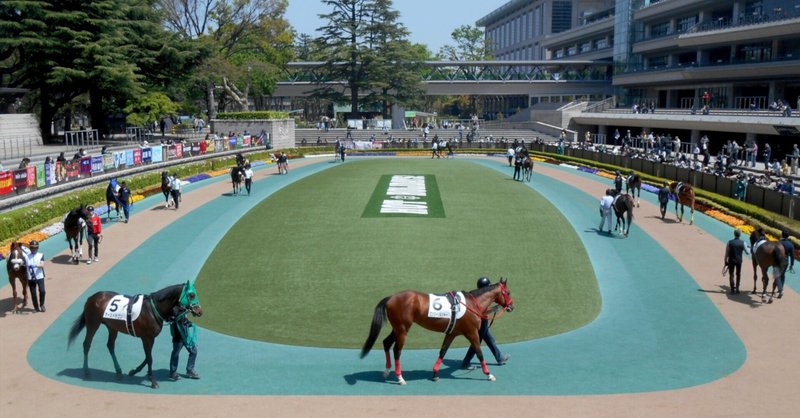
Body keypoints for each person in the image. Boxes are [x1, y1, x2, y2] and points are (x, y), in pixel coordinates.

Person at [461, 277, 510, 369]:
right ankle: (466, 362)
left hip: (483, 322)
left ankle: (500, 358)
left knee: (490, 340)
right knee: (476, 343)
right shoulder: (481, 297)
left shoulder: (481, 295)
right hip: (480, 323)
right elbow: (480, 312)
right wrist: (493, 309)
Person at [168, 305, 200, 381]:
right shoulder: (174, 308)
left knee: (194, 351)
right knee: (176, 353)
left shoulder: (184, 307)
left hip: (186, 335)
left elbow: (184, 318)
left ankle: (190, 370)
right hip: (178, 336)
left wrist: (188, 322)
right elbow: (173, 319)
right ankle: (173, 372)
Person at [724, 229, 748, 294]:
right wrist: (748, 247)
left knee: (731, 274)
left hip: (731, 260)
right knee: (738, 274)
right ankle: (737, 288)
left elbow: (726, 253)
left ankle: (732, 289)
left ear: (734, 234)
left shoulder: (729, 242)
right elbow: (747, 252)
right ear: (740, 235)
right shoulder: (743, 242)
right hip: (739, 261)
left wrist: (725, 261)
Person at [24, 240, 46, 312]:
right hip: (30, 278)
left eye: (35, 248)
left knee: (42, 291)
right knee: (33, 293)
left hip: (39, 276)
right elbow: (23, 265)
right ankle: (36, 307)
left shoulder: (41, 255)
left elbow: (42, 264)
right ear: (30, 248)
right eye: (32, 248)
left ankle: (42, 304)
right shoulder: (26, 257)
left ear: (37, 248)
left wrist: (35, 265)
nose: (34, 249)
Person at [779, 231, 795, 297]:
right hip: (786, 261)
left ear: (782, 235)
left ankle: (779, 288)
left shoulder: (779, 242)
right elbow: (792, 256)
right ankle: (781, 289)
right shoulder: (791, 244)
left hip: (778, 261)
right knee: (782, 275)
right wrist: (791, 264)